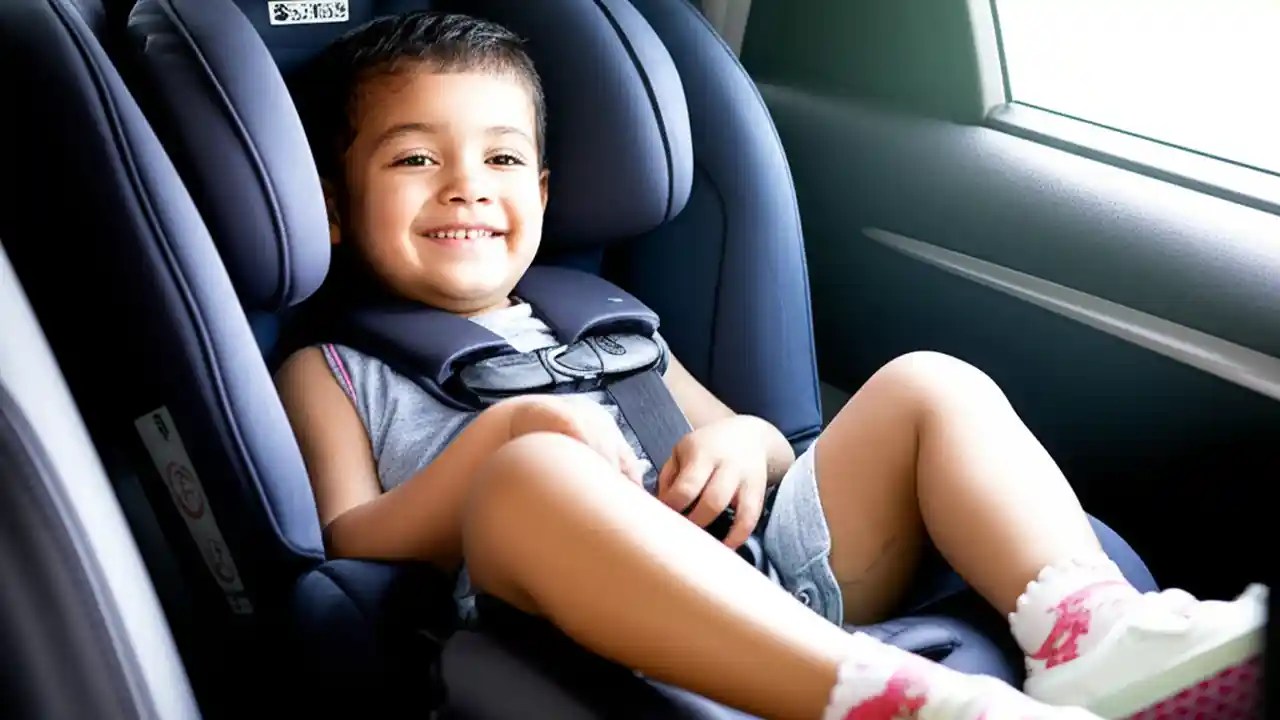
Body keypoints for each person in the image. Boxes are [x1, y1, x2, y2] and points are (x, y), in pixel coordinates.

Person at [274, 11, 1266, 720]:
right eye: (413, 160)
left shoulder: (613, 325)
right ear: (328, 204)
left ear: (540, 187)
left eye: (498, 161)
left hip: (759, 569)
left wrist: (747, 444)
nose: (465, 188)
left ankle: (1085, 638)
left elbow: (758, 443)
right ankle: (887, 701)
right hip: (559, 613)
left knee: (926, 380)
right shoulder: (332, 366)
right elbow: (348, 533)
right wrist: (499, 445)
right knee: (530, 477)